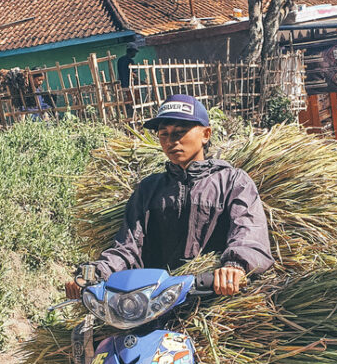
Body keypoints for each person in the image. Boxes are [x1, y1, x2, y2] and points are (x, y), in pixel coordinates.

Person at [65, 94, 274, 298]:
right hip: (154, 302)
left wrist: (235, 266)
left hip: (215, 296)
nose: (171, 141)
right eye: (164, 134)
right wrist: (95, 273)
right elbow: (127, 249)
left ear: (206, 134)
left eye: (180, 132)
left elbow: (248, 231)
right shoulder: (149, 189)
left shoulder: (233, 181)